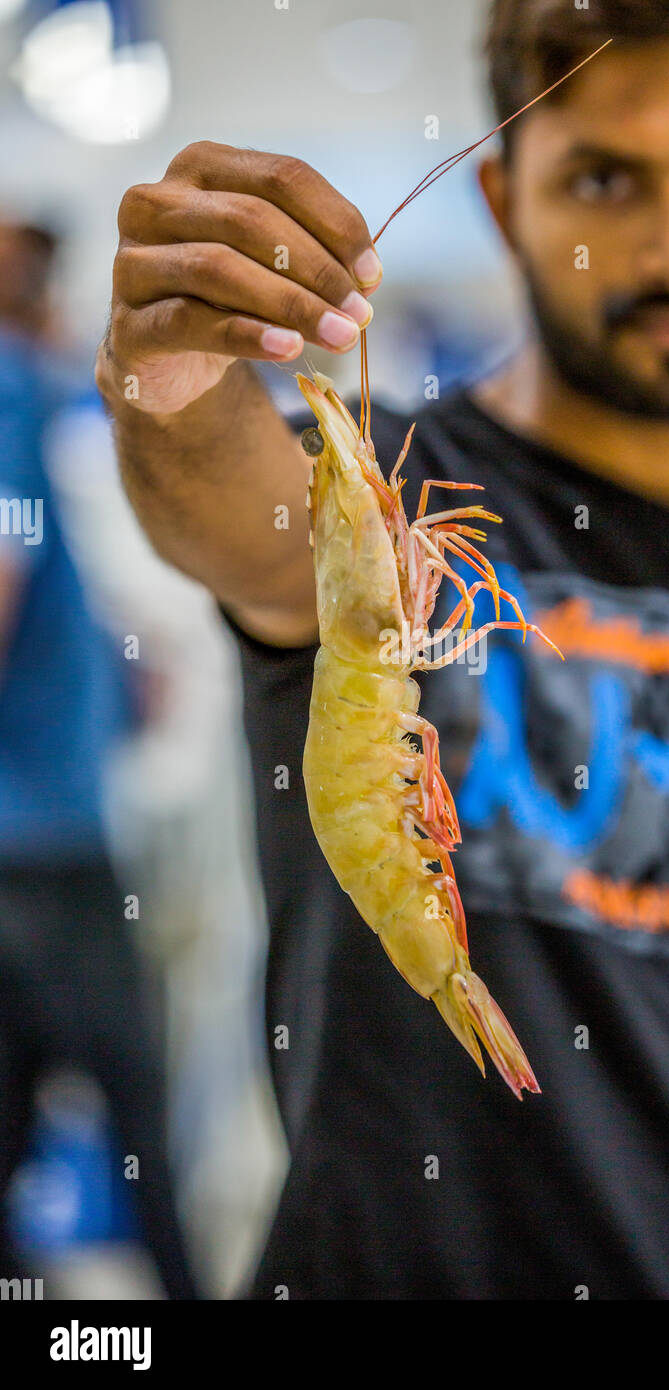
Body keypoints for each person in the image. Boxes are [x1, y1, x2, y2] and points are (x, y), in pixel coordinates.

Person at [96, 0, 669, 1299]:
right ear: (507, 200)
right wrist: (170, 377)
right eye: (607, 176)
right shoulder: (415, 474)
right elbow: (239, 509)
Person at [0, 219, 197, 1299]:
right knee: (131, 1117)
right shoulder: (17, 390)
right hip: (44, 847)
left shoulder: (17, 391)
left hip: (46, 837)